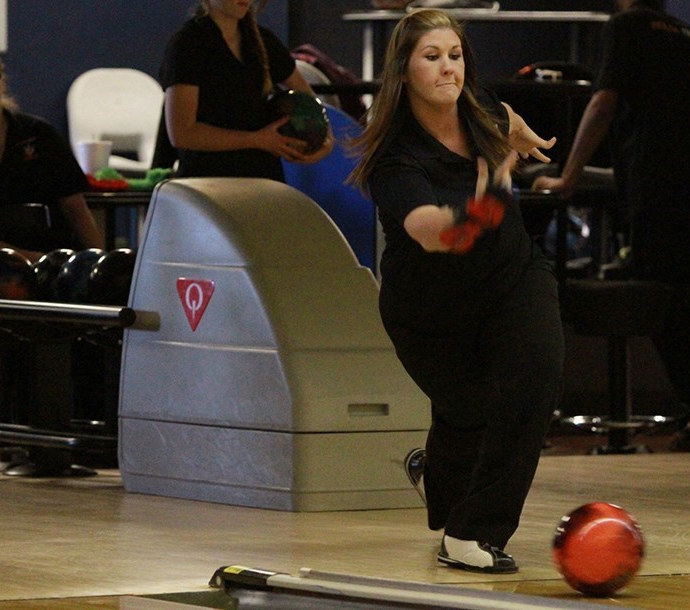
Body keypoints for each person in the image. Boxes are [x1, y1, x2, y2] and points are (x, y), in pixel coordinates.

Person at [348, 9, 563, 574]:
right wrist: (493, 192)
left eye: (456, 55)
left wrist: (521, 136)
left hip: (513, 278)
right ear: (403, 71)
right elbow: (441, 235)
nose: (449, 68)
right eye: (432, 57)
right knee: (468, 414)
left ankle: (471, 534)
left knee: (535, 374)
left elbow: (504, 118)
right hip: (431, 310)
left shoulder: (479, 107)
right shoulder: (394, 159)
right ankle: (438, 476)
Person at [533, 0, 690, 452]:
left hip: (660, 186)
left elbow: (603, 103)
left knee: (658, 300)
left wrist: (568, 176)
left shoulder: (626, 27)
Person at [160, 0, 333, 180]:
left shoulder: (263, 41)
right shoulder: (188, 45)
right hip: (209, 185)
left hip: (264, 182)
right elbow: (182, 133)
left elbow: (310, 100)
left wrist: (323, 139)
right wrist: (257, 139)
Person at [0, 42, 103, 261]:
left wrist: (98, 259)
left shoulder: (38, 134)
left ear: (2, 83)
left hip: (49, 259)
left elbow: (75, 207)